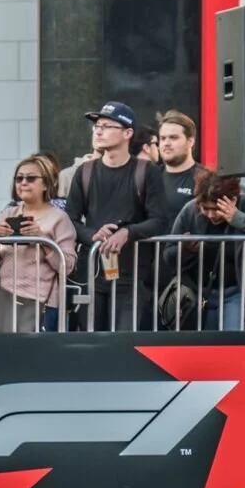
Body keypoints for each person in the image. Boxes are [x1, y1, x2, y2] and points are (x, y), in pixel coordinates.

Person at [66, 101, 167, 330]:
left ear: (127, 133)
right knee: (93, 343)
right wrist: (92, 235)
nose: (99, 131)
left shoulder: (146, 170)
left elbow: (159, 220)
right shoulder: (85, 171)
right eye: (97, 126)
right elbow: (69, 219)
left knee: (125, 340)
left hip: (131, 273)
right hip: (92, 271)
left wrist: (128, 232)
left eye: (107, 126)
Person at [168, 175, 245, 331]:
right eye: (205, 209)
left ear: (233, 200)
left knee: (232, 341)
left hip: (236, 293)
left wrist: (239, 219)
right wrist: (186, 250)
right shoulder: (190, 210)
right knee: (203, 347)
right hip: (198, 294)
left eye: (217, 209)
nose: (211, 215)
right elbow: (168, 254)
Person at [0, 155, 77, 332]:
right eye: (19, 178)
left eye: (31, 178)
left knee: (33, 357)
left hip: (40, 301)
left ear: (46, 184)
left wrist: (42, 239)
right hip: (4, 297)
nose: (24, 182)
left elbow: (68, 265)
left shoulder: (59, 218)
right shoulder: (8, 213)